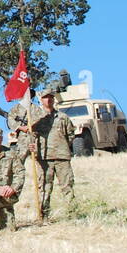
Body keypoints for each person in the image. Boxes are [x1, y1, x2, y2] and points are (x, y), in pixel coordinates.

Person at [30, 89, 78, 219]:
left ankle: (72, 214)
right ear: (41, 100)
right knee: (45, 187)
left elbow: (71, 135)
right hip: (44, 158)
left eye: (51, 97)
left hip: (62, 157)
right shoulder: (36, 118)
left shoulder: (63, 117)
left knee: (67, 186)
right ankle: (44, 215)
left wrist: (62, 146)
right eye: (45, 97)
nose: (48, 100)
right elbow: (31, 136)